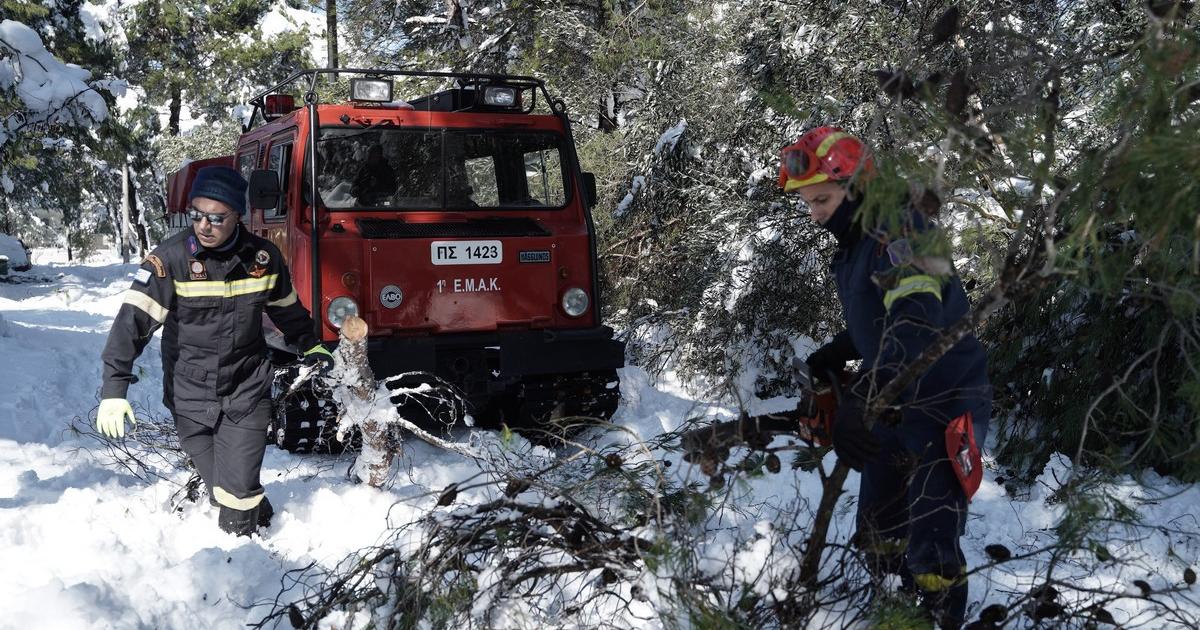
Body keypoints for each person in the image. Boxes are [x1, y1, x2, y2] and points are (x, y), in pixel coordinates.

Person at [781, 127, 991, 629]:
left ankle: (939, 619)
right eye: (809, 203)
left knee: (932, 543)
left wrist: (861, 399)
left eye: (823, 200)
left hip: (943, 400)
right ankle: (897, 611)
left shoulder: (905, 231)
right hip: (893, 402)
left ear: (857, 188)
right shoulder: (856, 245)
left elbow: (916, 318)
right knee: (879, 530)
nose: (815, 214)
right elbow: (881, 318)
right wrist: (841, 348)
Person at [96, 166, 334, 536]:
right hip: (189, 393)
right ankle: (265, 522)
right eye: (196, 215)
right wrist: (114, 390)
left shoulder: (263, 259)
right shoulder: (170, 260)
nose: (203, 226)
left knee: (237, 490)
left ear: (237, 215)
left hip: (246, 389)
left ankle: (239, 560)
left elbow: (288, 311)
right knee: (220, 486)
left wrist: (311, 344)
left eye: (216, 217)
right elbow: (131, 326)